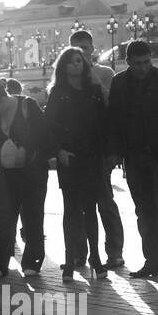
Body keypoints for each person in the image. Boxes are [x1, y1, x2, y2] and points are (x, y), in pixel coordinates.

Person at [107, 40, 158, 281]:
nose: (143, 67)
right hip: (134, 158)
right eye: (138, 63)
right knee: (144, 211)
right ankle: (152, 261)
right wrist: (117, 152)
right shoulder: (119, 82)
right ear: (128, 62)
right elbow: (114, 120)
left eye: (146, 62)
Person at [43, 45, 109, 281]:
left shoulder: (93, 90)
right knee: (71, 210)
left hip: (91, 155)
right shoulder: (58, 92)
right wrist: (58, 151)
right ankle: (70, 259)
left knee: (91, 209)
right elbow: (49, 126)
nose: (76, 65)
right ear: (63, 66)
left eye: (79, 61)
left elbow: (103, 122)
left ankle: (96, 258)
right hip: (69, 157)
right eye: (71, 61)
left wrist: (106, 152)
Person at [0, 80, 50, 276]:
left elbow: (41, 134)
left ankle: (32, 261)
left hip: (33, 170)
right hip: (7, 171)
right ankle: (0, 262)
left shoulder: (28, 105)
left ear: (3, 98)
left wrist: (26, 151)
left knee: (33, 214)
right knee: (4, 215)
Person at [70, 30, 125, 268]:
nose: (82, 52)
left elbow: (112, 107)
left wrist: (92, 79)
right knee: (79, 204)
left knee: (104, 200)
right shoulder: (67, 77)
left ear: (92, 49)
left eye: (85, 47)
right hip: (77, 150)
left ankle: (114, 251)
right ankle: (80, 253)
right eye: (77, 48)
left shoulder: (105, 73)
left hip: (100, 148)